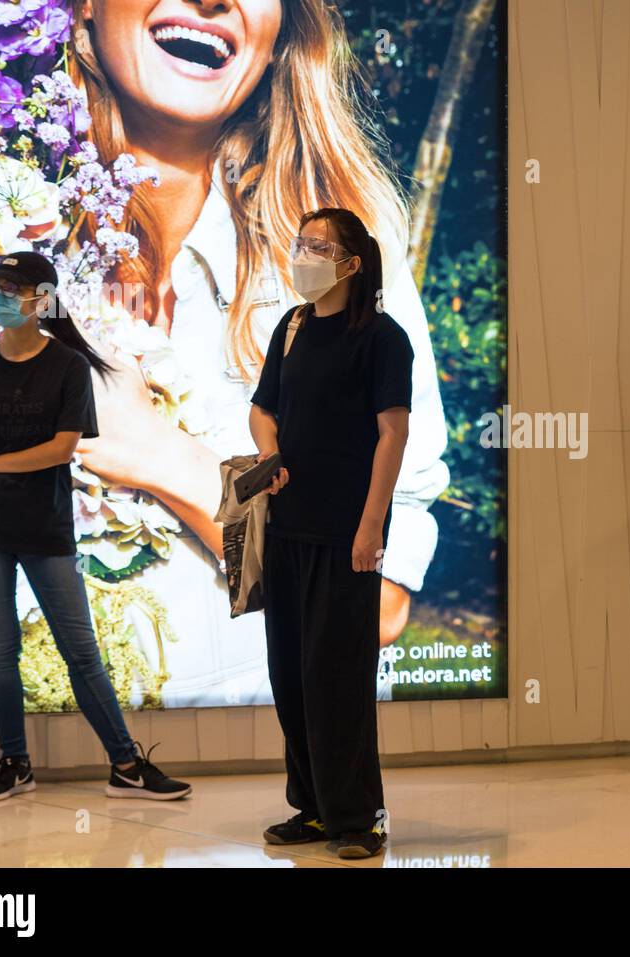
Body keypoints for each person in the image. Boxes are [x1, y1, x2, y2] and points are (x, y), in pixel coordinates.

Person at [63, 0, 449, 707]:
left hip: (255, 767)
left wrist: (164, 457)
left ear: (281, 30)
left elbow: (382, 602)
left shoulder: (347, 266)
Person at [0, 251, 191, 802]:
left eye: (13, 289)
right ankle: (14, 763)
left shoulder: (68, 367)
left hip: (46, 528)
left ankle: (125, 764)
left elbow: (60, 450)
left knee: (81, 651)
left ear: (42, 300)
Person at [249, 208, 408, 859]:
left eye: (318, 245)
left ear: (351, 263)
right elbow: (262, 409)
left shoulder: (381, 337)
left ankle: (358, 817)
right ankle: (312, 808)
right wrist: (271, 453)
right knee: (291, 675)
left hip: (348, 534)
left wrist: (371, 525)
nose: (302, 253)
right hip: (288, 528)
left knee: (336, 676)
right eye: (300, 242)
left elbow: (393, 432)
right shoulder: (290, 328)